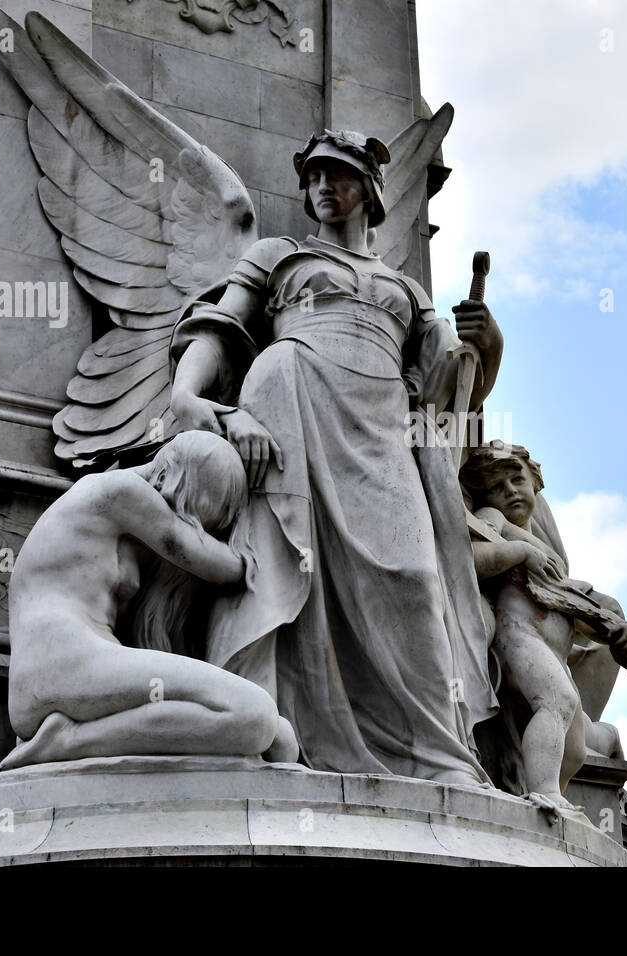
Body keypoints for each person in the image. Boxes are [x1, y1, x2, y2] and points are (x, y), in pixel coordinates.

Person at [168, 129, 502, 785]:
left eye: (339, 175)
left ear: (371, 192)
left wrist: (486, 344)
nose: (323, 187)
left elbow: (447, 386)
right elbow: (220, 327)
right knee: (290, 565)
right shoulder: (278, 255)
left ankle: (436, 757)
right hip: (290, 400)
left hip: (382, 427)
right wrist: (187, 394)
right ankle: (273, 731)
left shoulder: (406, 288)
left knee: (413, 578)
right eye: (314, 176)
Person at [0, 431, 296, 771]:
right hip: (57, 664)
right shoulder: (120, 490)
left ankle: (75, 736)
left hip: (82, 665)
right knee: (254, 716)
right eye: (195, 515)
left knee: (281, 739)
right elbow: (219, 566)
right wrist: (274, 543)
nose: (191, 525)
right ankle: (67, 742)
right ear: (171, 476)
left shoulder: (119, 519)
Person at [461, 441, 627, 809]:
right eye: (497, 487)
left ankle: (554, 799)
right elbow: (471, 557)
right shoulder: (494, 518)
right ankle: (544, 793)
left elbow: (577, 604)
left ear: (535, 483)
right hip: (518, 636)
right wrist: (520, 553)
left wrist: (624, 632)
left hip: (554, 650)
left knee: (575, 749)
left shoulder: (550, 553)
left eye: (517, 480)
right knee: (557, 702)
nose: (510, 491)